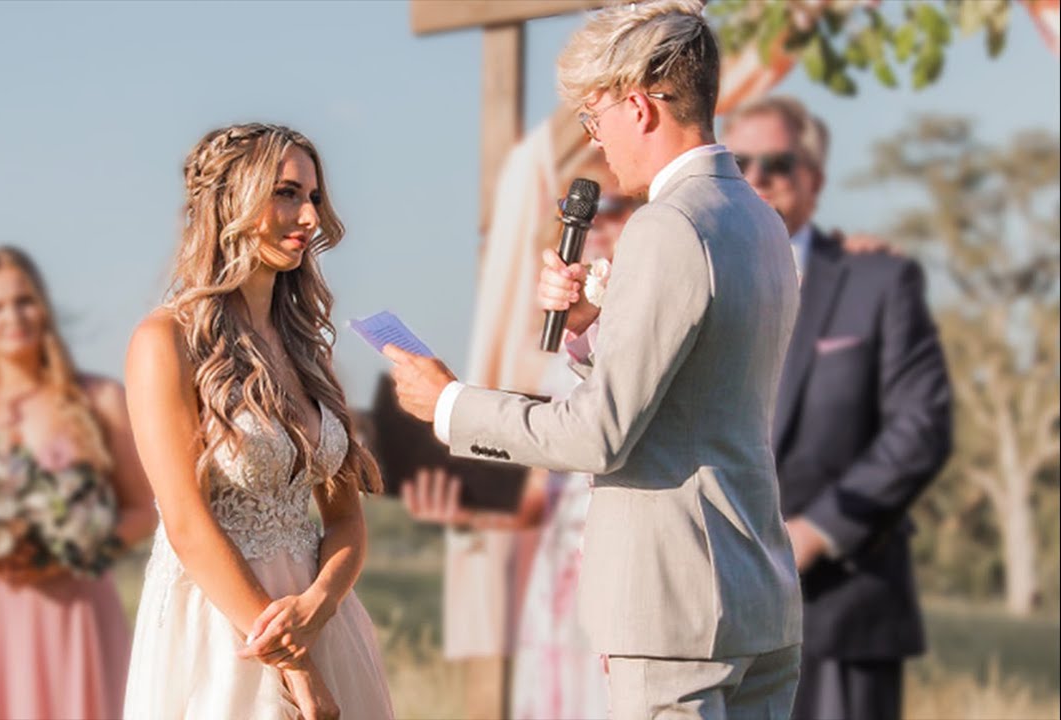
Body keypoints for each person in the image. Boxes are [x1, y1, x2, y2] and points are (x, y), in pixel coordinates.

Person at [386, 1, 803, 716]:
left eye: (594, 115)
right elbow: (697, 389)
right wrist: (590, 330)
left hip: (674, 616)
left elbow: (596, 436)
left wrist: (450, 404)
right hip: (758, 599)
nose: (596, 140)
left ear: (638, 106)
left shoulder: (666, 226)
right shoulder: (759, 220)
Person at [123, 123, 393, 720]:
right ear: (230, 201)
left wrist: (318, 607)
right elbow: (186, 525)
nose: (310, 218)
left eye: (313, 197)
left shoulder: (309, 351)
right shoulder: (165, 342)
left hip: (319, 619)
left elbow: (345, 518)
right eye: (286, 194)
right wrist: (296, 667)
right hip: (223, 631)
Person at [723, 95, 953, 720]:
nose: (757, 177)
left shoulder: (878, 282)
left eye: (777, 163)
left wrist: (817, 532)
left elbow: (921, 426)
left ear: (815, 180)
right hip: (715, 621)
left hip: (841, 611)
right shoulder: (695, 280)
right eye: (739, 163)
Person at [403, 160, 639, 720]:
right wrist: (466, 514)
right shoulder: (556, 344)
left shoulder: (653, 311)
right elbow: (539, 496)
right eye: (580, 214)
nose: (596, 225)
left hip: (627, 557)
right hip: (561, 573)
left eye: (611, 209)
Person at [0, 245, 154, 719]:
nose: (13, 317)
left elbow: (145, 511)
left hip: (72, 611)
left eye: (23, 301)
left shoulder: (99, 399)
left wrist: (71, 551)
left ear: (42, 305)